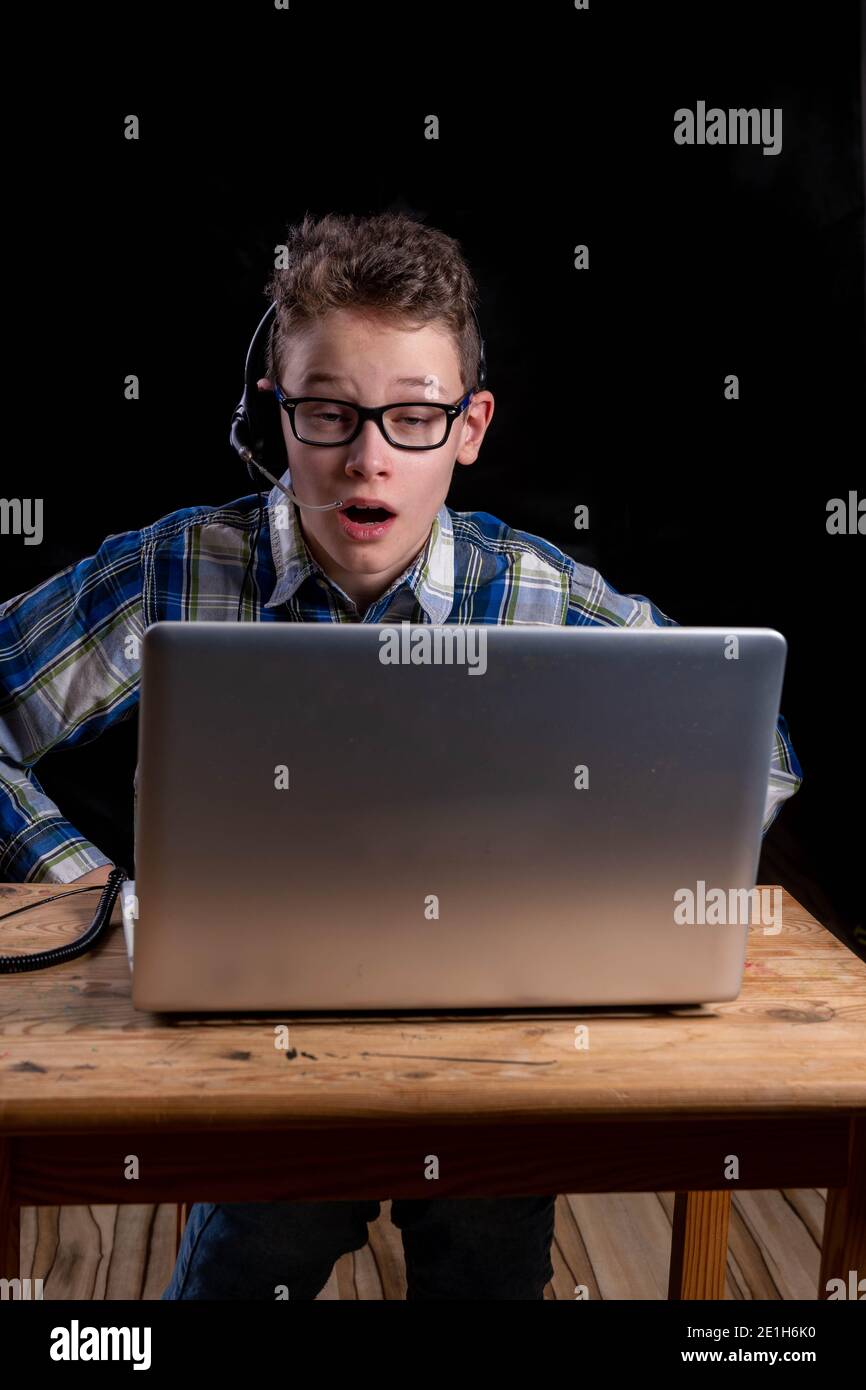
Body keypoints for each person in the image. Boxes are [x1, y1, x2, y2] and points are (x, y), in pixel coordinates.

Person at [0, 210, 803, 1299]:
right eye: (328, 413)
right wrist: (81, 882)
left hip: (490, 1048)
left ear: (468, 426)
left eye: (412, 416)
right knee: (254, 1254)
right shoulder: (176, 572)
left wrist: (612, 879)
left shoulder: (537, 593)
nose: (368, 457)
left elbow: (751, 746)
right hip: (250, 1046)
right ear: (270, 419)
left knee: (487, 1247)